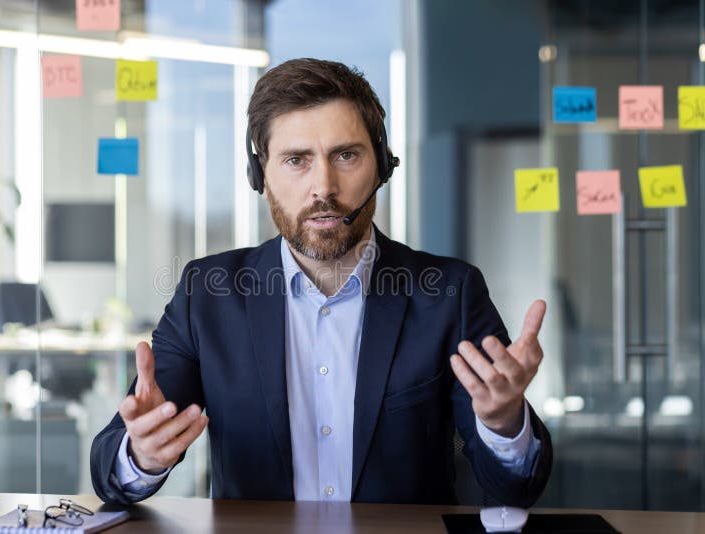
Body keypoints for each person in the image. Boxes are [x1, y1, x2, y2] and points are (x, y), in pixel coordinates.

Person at [91, 58, 552, 506]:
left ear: (382, 167)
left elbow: (516, 489)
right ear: (260, 176)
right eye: (297, 160)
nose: (323, 187)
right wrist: (141, 456)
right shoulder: (206, 295)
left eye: (346, 155)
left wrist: (505, 424)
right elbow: (111, 469)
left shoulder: (450, 293)